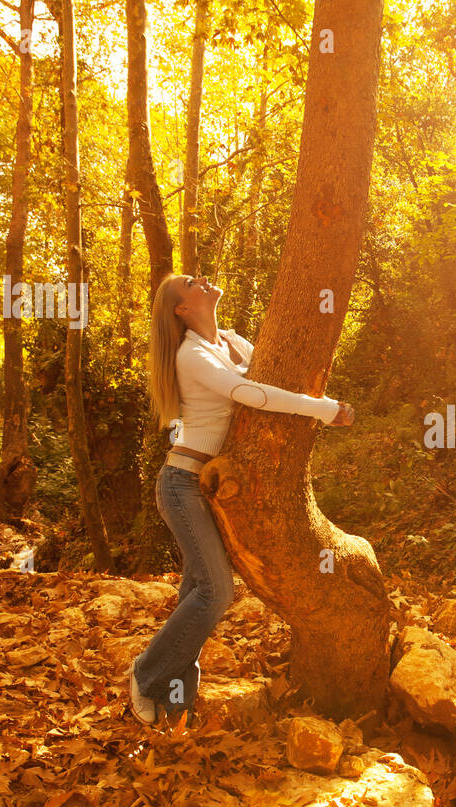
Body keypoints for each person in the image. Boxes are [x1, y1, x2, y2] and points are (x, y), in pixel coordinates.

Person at [129, 273, 353, 725]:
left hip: (207, 485)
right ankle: (146, 675)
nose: (204, 279)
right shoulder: (190, 355)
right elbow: (247, 393)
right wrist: (324, 410)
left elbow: (275, 383)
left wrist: (320, 398)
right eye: (193, 282)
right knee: (217, 591)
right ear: (182, 309)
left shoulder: (232, 342)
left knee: (196, 589)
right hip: (182, 483)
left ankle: (177, 698)